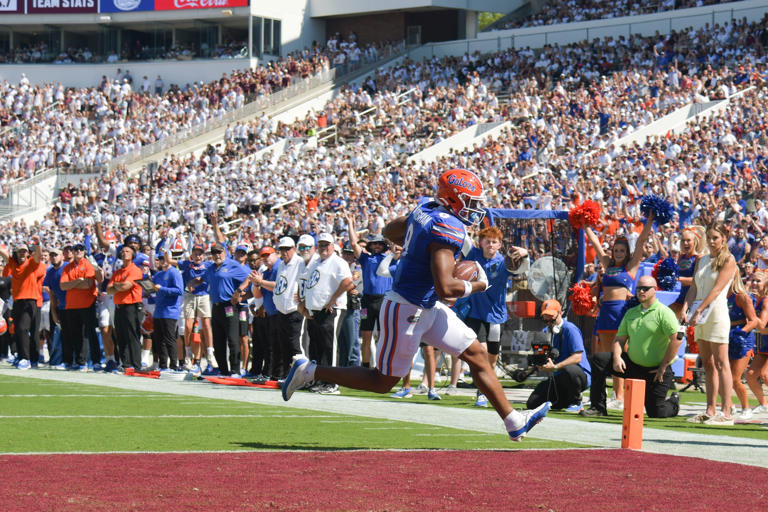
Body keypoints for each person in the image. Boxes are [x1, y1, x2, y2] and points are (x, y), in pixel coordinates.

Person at [282, 169, 550, 441]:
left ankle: (514, 421)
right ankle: (309, 371)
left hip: (428, 306)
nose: (477, 208)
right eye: (471, 201)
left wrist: (419, 249)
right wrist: (477, 284)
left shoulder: (427, 207)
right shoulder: (449, 226)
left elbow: (389, 230)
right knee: (383, 381)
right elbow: (446, 287)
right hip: (406, 309)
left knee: (476, 354)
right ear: (453, 200)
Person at [581, 276, 681, 418]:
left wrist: (663, 367)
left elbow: (676, 340)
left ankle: (674, 401)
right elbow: (619, 340)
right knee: (599, 359)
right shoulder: (631, 313)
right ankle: (598, 407)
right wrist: (616, 358)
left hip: (656, 370)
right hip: (633, 365)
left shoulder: (664, 313)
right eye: (639, 288)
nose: (641, 292)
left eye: (645, 289)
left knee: (656, 412)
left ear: (655, 290)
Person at [585, 213, 654, 408]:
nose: (618, 253)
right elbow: (596, 245)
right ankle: (615, 395)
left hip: (622, 312)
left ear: (627, 252)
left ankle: (622, 395)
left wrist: (648, 222)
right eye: (616, 250)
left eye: (622, 250)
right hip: (605, 312)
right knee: (607, 354)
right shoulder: (607, 265)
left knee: (621, 354)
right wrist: (585, 226)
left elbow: (641, 242)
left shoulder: (631, 267)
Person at [464, 225, 529, 407]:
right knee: (481, 351)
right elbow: (462, 238)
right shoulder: (473, 255)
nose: (490, 244)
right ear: (481, 243)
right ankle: (481, 392)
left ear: (500, 245)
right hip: (475, 313)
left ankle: (484, 388)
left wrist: (525, 254)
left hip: (496, 315)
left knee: (491, 357)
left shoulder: (503, 262)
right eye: (487, 241)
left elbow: (522, 269)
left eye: (494, 242)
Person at [682, 223, 737, 425]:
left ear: (723, 238)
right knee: (707, 363)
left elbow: (716, 291)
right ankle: (710, 409)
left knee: (722, 362)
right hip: (699, 314)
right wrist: (685, 307)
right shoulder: (701, 260)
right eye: (710, 237)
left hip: (716, 314)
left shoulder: (729, 260)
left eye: (716, 237)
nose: (712, 241)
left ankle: (727, 411)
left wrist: (697, 311)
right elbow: (694, 287)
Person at [299, 232, 354, 394]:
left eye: (326, 245)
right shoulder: (316, 262)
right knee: (316, 346)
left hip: (331, 309)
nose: (323, 248)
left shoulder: (338, 262)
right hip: (315, 310)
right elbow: (309, 284)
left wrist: (333, 299)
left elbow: (347, 282)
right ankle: (318, 379)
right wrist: (304, 304)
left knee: (330, 346)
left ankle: (332, 382)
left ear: (332, 246)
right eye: (321, 245)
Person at [253, 236, 303, 380]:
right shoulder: (281, 265)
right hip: (281, 310)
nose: (285, 252)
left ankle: (301, 376)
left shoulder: (299, 262)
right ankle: (285, 376)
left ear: (294, 249)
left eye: (287, 249)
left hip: (294, 309)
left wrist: (303, 294)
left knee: (295, 346)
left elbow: (305, 280)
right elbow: (280, 286)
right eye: (282, 249)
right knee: (282, 346)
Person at [345, 213, 393, 368]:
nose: (376, 246)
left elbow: (398, 246)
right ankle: (365, 367)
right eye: (374, 244)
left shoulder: (390, 258)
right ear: (370, 246)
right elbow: (353, 243)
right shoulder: (365, 258)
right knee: (366, 337)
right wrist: (351, 224)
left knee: (382, 337)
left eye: (379, 244)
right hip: (367, 301)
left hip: (384, 301)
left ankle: (381, 366)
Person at [526, 299, 591, 411]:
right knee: (532, 403)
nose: (549, 320)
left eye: (551, 316)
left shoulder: (570, 329)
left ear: (560, 313)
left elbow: (577, 357)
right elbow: (542, 356)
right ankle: (564, 401)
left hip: (577, 375)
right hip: (558, 377)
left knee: (569, 370)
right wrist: (539, 365)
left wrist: (555, 367)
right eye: (546, 317)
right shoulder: (545, 331)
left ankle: (576, 401)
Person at [203, 242, 249, 376]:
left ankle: (235, 370)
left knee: (232, 339)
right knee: (218, 340)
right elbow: (205, 278)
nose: (217, 255)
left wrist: (239, 291)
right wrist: (195, 281)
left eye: (219, 252)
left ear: (225, 252)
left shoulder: (232, 264)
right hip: (216, 306)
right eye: (214, 253)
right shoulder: (211, 268)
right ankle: (223, 370)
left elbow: (249, 278)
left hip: (229, 305)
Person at [169, 243, 215, 375]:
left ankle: (210, 353)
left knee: (206, 325)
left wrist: (196, 281)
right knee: (188, 327)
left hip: (204, 295)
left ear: (204, 254)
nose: (198, 255)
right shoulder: (186, 263)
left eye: (200, 253)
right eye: (195, 253)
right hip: (189, 296)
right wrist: (167, 250)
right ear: (192, 254)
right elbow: (169, 261)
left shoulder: (208, 264)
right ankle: (188, 354)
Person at [0, 239, 45, 370]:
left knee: (23, 328)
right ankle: (21, 357)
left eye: (24, 252)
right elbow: (3, 254)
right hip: (17, 301)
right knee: (18, 330)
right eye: (20, 251)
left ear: (27, 254)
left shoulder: (31, 263)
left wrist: (37, 243)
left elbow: (38, 255)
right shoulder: (14, 264)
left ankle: (27, 358)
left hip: (30, 301)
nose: (22, 254)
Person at [59, 243, 101, 371]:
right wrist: (78, 281)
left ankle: (96, 361)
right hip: (72, 305)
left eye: (80, 249)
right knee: (76, 334)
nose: (78, 251)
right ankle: (80, 361)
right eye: (75, 249)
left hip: (87, 303)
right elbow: (62, 286)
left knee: (91, 333)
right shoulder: (68, 267)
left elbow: (88, 284)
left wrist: (71, 285)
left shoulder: (88, 264)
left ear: (84, 251)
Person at [726, 269, 759, 419]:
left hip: (742, 339)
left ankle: (746, 408)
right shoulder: (718, 296)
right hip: (724, 336)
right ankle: (729, 406)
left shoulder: (741, 296)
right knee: (720, 375)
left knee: (734, 378)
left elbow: (754, 321)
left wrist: (740, 332)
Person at [107, 245, 144, 370]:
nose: (124, 253)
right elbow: (109, 290)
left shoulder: (135, 270)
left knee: (132, 335)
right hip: (119, 305)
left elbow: (125, 286)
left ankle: (136, 364)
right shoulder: (118, 271)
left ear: (133, 254)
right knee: (121, 335)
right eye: (122, 251)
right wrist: (119, 285)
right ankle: (126, 363)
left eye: (127, 251)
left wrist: (116, 286)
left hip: (132, 305)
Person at [150, 253, 184, 371]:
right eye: (160, 259)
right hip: (158, 311)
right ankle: (163, 365)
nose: (162, 261)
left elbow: (179, 290)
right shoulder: (158, 274)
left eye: (164, 258)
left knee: (169, 339)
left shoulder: (174, 272)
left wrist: (162, 289)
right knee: (159, 340)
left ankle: (174, 365)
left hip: (170, 311)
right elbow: (153, 290)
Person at [669, 226, 706, 318]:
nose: (685, 243)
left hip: (694, 300)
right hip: (681, 298)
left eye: (688, 240)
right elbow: (675, 274)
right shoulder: (681, 256)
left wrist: (677, 279)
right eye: (683, 240)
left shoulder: (699, 258)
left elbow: (697, 281)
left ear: (695, 242)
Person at [745, 271, 768, 417]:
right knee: (751, 375)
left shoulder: (766, 301)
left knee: (765, 375)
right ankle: (764, 405)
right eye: (753, 280)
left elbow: (762, 326)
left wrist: (749, 318)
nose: (754, 283)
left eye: (758, 281)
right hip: (766, 344)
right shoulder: (754, 299)